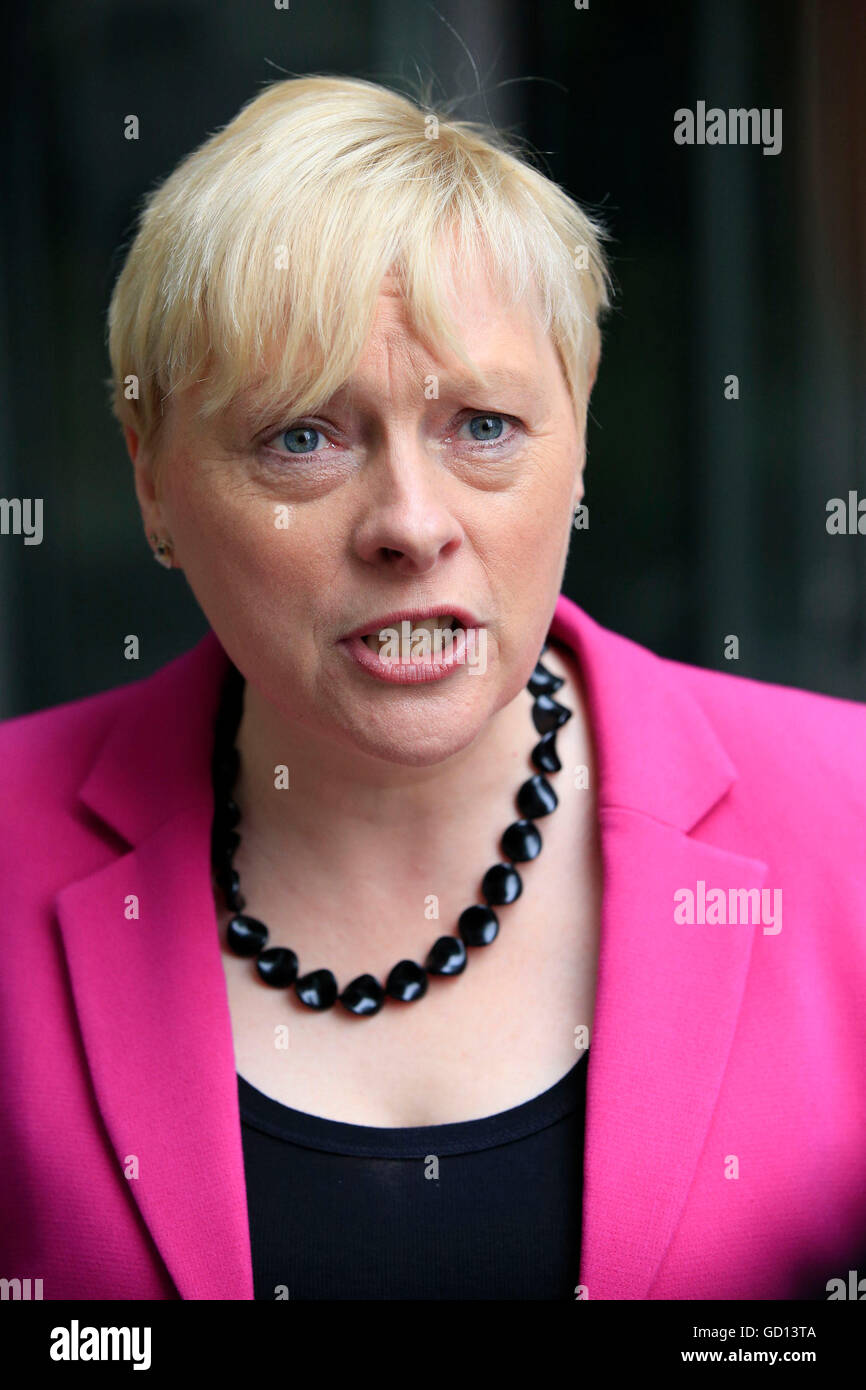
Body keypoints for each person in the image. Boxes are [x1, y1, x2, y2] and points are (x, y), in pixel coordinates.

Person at [2, 74, 866, 1303]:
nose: (411, 526)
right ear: (151, 480)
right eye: (303, 436)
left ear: (578, 437)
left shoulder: (851, 825)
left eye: (483, 425)